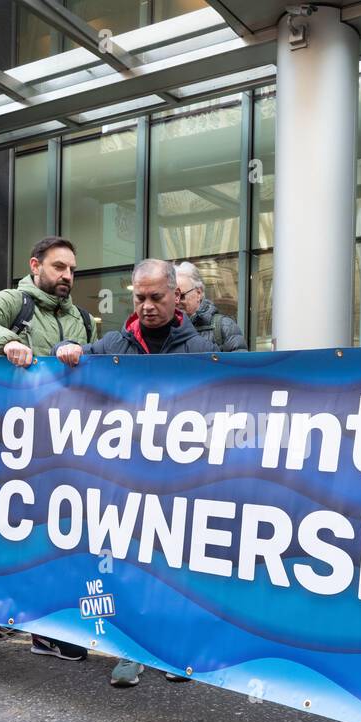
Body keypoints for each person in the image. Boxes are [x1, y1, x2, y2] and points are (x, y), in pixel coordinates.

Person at [56, 259, 211, 688]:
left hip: (178, 482)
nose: (146, 306)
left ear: (175, 296)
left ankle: (173, 652)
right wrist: (67, 352)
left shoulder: (201, 351)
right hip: (124, 483)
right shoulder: (112, 345)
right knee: (124, 566)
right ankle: (129, 652)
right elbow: (74, 358)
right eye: (139, 298)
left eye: (155, 297)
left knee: (173, 568)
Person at [0, 235, 95, 666]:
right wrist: (6, 342)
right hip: (0, 440)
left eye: (71, 269)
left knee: (44, 538)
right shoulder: (15, 301)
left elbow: (99, 364)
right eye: (58, 267)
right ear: (36, 266)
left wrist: (83, 351)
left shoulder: (84, 319)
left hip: (54, 447)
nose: (67, 276)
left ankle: (45, 631)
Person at [176, 261, 246, 351]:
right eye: (173, 296)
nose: (176, 302)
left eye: (181, 296)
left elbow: (238, 363)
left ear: (198, 293)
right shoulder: (166, 328)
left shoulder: (225, 327)